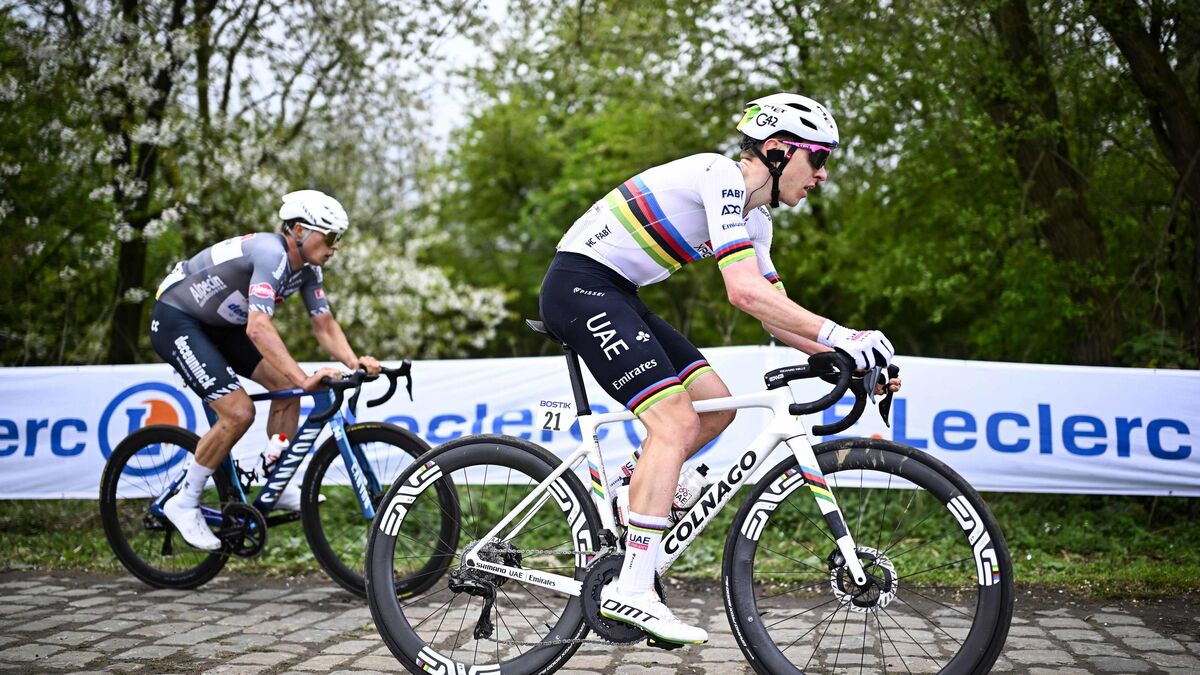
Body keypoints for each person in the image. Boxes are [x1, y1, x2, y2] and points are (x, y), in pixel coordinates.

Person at [539, 93, 900, 645]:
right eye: (818, 159)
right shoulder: (720, 176)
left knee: (715, 409)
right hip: (579, 285)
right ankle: (634, 590)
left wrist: (844, 358)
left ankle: (629, 490)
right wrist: (841, 335)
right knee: (676, 423)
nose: (822, 175)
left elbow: (775, 316)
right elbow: (743, 291)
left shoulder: (756, 222)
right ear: (779, 151)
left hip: (619, 292)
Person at [149, 189, 381, 551]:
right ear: (301, 231)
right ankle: (185, 501)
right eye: (331, 236)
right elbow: (258, 327)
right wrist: (304, 378)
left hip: (219, 326)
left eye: (340, 238)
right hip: (179, 319)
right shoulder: (272, 253)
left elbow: (323, 324)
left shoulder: (308, 269)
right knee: (239, 412)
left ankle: (275, 477)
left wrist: (355, 363)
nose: (336, 246)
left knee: (288, 395)